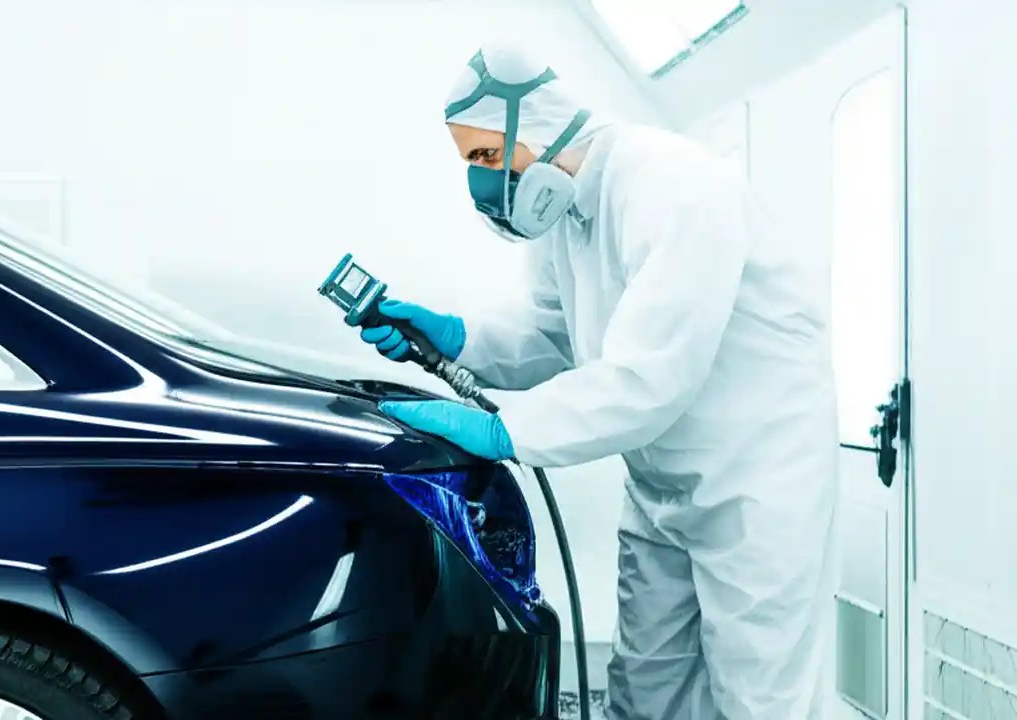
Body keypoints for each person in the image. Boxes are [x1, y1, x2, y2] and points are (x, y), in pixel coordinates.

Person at [357, 44, 839, 719]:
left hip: (754, 488)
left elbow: (649, 377)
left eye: (486, 158)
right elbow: (555, 332)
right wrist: (458, 337)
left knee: (760, 698)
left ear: (534, 124)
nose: (481, 184)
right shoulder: (565, 217)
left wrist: (503, 431)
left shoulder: (675, 185)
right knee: (645, 690)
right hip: (662, 487)